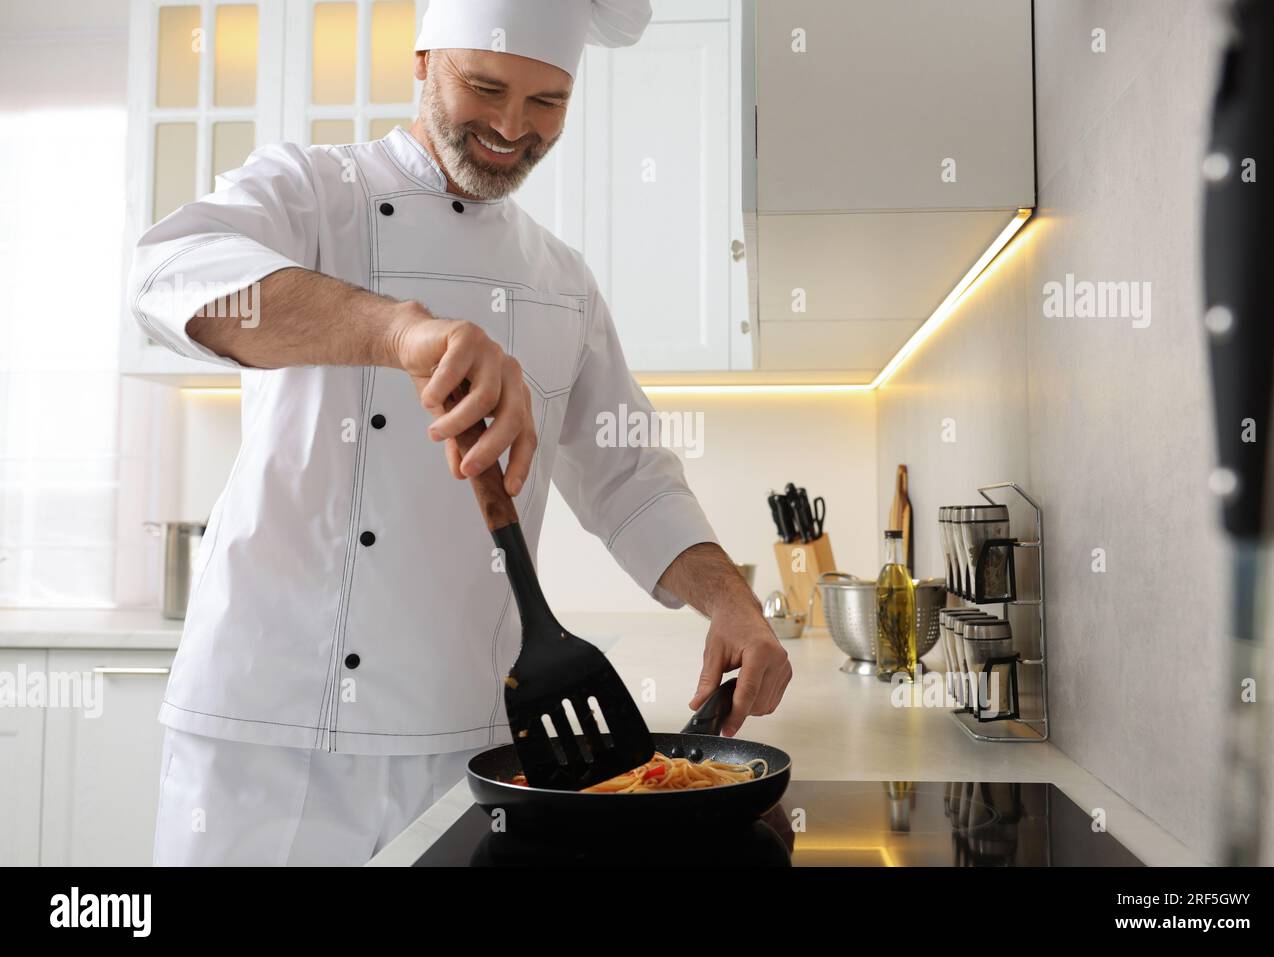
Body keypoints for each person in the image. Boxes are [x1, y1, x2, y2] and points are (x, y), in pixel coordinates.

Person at [130, 0, 791, 866]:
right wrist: (401, 331)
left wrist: (730, 600)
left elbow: (632, 478)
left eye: (546, 102)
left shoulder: (562, 283)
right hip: (267, 740)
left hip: (472, 751)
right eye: (485, 87)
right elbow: (165, 274)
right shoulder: (314, 193)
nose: (513, 128)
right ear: (421, 60)